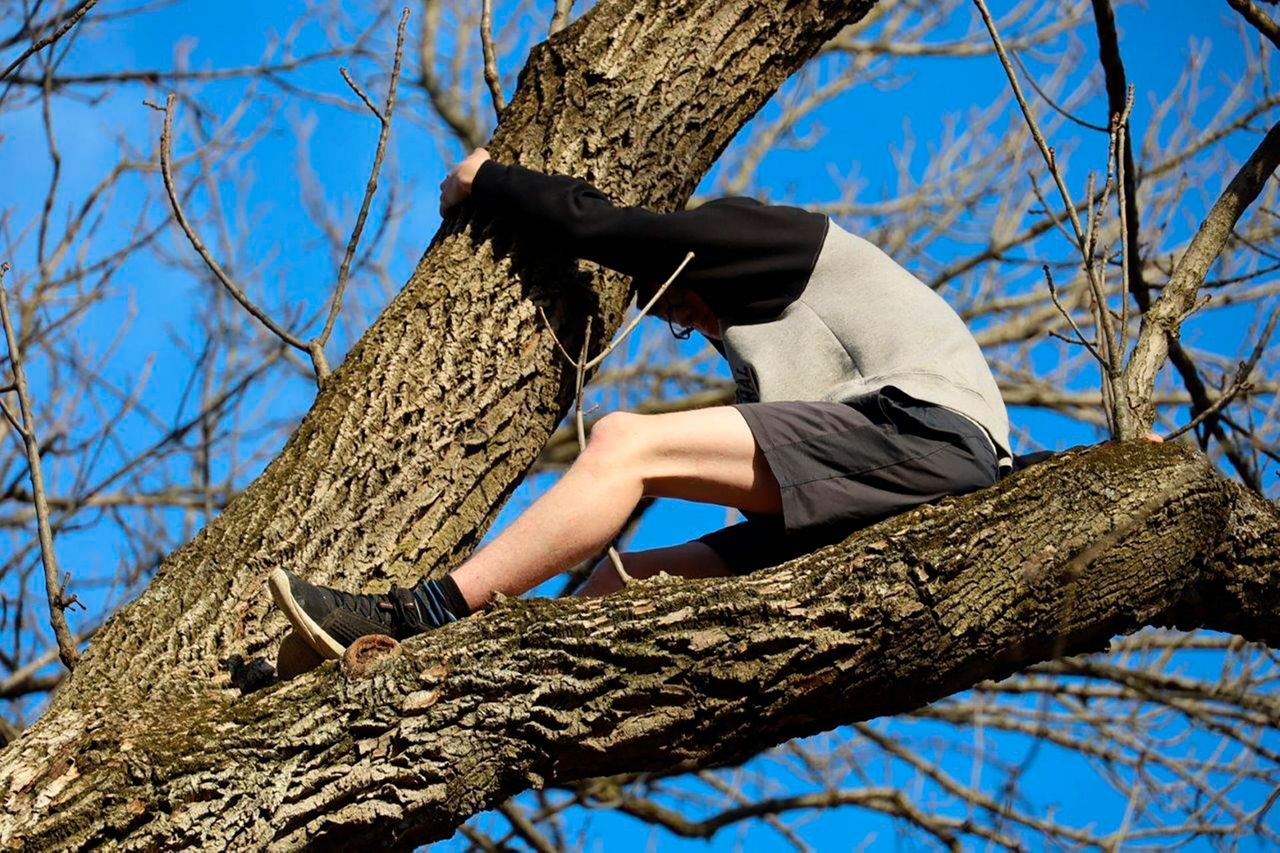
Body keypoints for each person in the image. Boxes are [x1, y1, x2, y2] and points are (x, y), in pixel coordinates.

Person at [268, 148, 1016, 660]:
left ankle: (419, 615)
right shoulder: (782, 360)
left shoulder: (777, 242)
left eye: (682, 310)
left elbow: (611, 228)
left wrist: (487, 178)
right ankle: (424, 674)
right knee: (614, 587)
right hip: (882, 480)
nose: (689, 325)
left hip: (915, 433)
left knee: (627, 442)